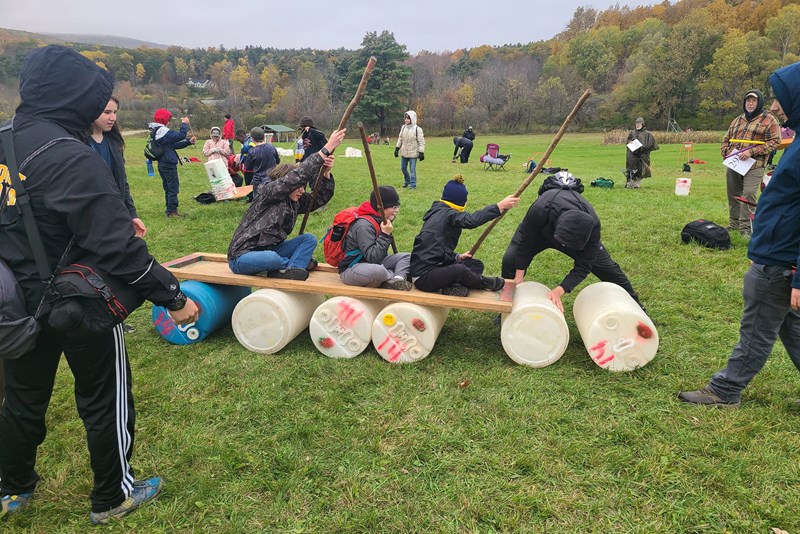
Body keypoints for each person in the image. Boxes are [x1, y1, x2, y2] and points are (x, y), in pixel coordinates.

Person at [0, 45, 199, 524]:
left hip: (14, 305)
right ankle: (113, 496)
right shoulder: (69, 156)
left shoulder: (5, 141)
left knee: (22, 400)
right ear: (76, 97)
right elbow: (119, 250)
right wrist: (173, 297)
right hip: (79, 302)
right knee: (104, 400)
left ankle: (12, 487)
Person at [678, 62, 800, 408]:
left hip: (780, 261)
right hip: (776, 253)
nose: (774, 106)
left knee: (757, 328)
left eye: (780, 98)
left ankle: (725, 390)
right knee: (793, 330)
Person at [501, 185, 644, 313]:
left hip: (574, 236)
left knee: (608, 269)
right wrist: (518, 276)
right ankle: (506, 307)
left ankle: (635, 307)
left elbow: (584, 265)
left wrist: (560, 289)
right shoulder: (540, 208)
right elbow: (525, 241)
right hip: (540, 231)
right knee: (511, 259)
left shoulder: (592, 227)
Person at [228, 129, 345, 280]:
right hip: (242, 256)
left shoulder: (295, 201)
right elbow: (295, 178)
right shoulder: (269, 192)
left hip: (273, 249)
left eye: (303, 187)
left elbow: (320, 197)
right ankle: (292, 263)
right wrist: (325, 149)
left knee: (308, 239)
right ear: (288, 185)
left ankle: (292, 269)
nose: (302, 191)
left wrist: (325, 173)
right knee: (271, 258)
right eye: (299, 186)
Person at [86, 95, 146, 334]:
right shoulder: (77, 142)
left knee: (117, 265)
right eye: (107, 112)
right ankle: (99, 315)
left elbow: (123, 182)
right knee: (96, 268)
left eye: (115, 112)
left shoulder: (112, 141)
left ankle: (116, 315)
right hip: (91, 218)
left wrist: (131, 213)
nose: (113, 117)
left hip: (116, 215)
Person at [411, 174, 519, 296]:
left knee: (475, 264)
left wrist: (457, 257)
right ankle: (485, 282)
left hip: (438, 266)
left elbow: (437, 248)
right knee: (460, 270)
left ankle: (453, 287)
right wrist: (499, 206)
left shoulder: (439, 212)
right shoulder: (449, 215)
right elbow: (471, 220)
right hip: (424, 277)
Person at [720, 89, 781, 236]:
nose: (750, 103)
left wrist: (751, 152)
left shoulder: (769, 119)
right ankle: (734, 224)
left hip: (755, 164)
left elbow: (775, 141)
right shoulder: (738, 120)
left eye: (754, 100)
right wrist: (726, 152)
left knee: (748, 194)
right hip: (735, 163)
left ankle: (746, 228)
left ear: (759, 102)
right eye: (748, 101)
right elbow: (726, 138)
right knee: (733, 193)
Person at [339, 185, 412, 290]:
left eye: (398, 206)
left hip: (373, 263)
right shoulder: (363, 226)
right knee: (379, 271)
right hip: (353, 267)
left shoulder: (379, 220)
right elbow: (373, 258)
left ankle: (398, 280)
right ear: (380, 207)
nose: (397, 210)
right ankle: (393, 276)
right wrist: (385, 235)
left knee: (407, 257)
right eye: (394, 207)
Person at [147, 108, 196, 218]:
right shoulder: (162, 131)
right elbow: (180, 135)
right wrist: (184, 124)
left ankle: (170, 209)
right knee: (173, 188)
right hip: (168, 164)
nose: (169, 122)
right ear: (163, 119)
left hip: (163, 164)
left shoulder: (157, 131)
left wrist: (188, 142)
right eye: (168, 119)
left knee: (168, 188)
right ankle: (172, 212)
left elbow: (173, 145)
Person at [624, 117, 659, 189]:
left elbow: (651, 144)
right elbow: (628, 141)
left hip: (642, 155)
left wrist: (642, 148)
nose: (637, 125)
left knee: (640, 169)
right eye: (636, 123)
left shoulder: (647, 134)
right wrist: (629, 142)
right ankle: (630, 182)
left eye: (639, 123)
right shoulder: (632, 132)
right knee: (631, 168)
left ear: (642, 124)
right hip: (632, 155)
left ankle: (637, 182)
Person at [394, 111, 425, 189]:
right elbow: (400, 138)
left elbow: (421, 141)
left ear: (412, 119)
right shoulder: (403, 127)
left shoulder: (418, 129)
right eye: (405, 118)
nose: (406, 120)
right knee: (403, 168)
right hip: (404, 152)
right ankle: (407, 180)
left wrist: (421, 152)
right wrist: (397, 148)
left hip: (413, 153)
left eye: (408, 118)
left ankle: (413, 185)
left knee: (412, 170)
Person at [247, 127, 280, 198]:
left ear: (252, 138)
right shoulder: (271, 147)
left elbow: (248, 167)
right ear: (264, 136)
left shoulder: (252, 151)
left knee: (258, 200)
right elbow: (278, 161)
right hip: (271, 179)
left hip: (258, 181)